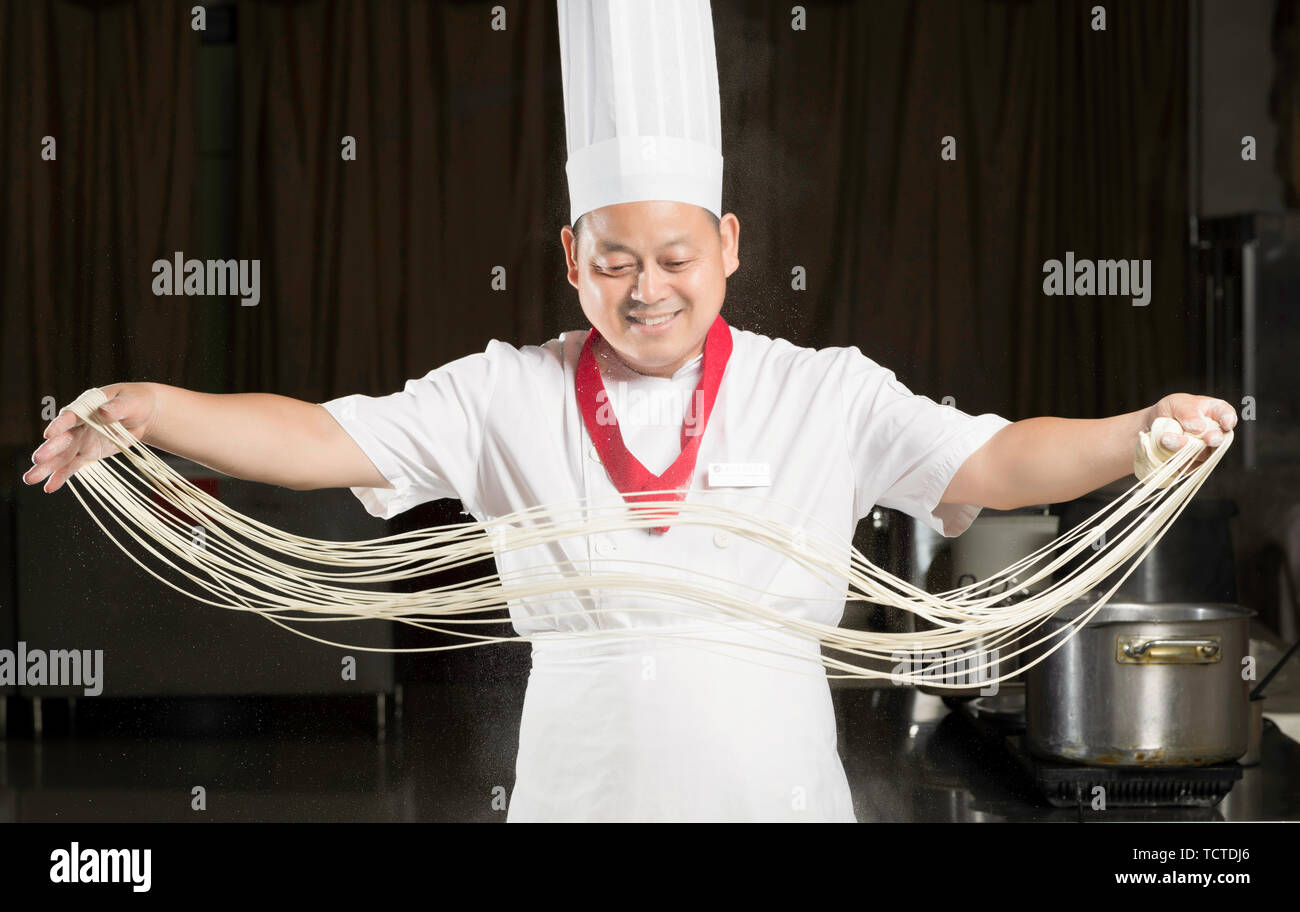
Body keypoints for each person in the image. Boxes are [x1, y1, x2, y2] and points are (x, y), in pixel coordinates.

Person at [21, 0, 1238, 821]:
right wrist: (149, 403)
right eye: (614, 261)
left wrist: (1141, 433)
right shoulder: (503, 390)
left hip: (777, 788)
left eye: (673, 256)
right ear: (568, 256)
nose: (645, 288)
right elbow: (319, 439)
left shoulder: (821, 388)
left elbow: (999, 459)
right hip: (577, 778)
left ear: (729, 246)